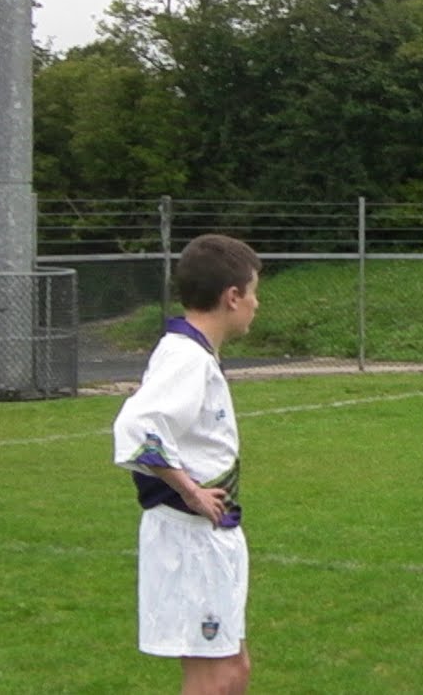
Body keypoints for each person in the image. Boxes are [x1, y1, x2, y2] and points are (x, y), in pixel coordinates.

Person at [111, 233, 262, 695]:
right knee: (212, 680)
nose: (257, 304)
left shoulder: (194, 354)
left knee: (235, 671)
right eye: (254, 293)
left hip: (210, 539)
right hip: (188, 540)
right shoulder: (186, 359)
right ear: (232, 298)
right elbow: (137, 429)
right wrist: (190, 490)